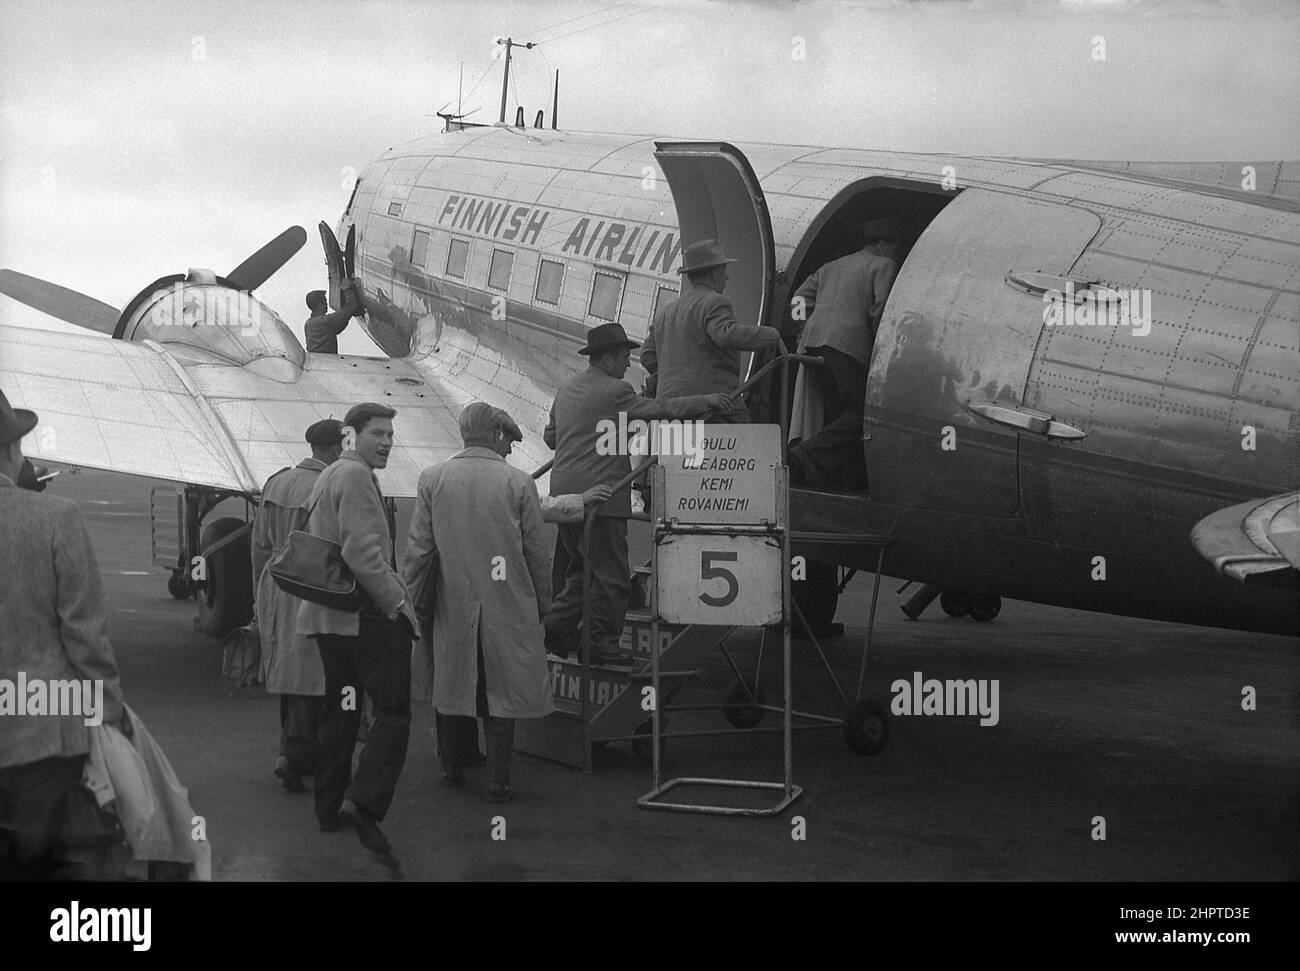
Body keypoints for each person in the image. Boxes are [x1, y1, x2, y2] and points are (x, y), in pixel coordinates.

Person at [0, 388, 129, 879]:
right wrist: (111, 719)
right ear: (11, 451)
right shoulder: (55, 519)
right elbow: (87, 639)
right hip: (41, 743)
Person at [544, 323, 730, 663]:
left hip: (563, 496)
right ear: (609, 358)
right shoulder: (617, 391)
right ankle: (600, 645)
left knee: (581, 570)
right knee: (613, 578)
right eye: (624, 357)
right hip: (602, 497)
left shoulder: (566, 389)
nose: (627, 364)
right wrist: (708, 400)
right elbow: (663, 410)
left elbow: (552, 438)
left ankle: (554, 628)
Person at [404, 403, 556, 802]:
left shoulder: (432, 478)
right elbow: (537, 553)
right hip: (507, 601)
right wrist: (544, 601)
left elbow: (419, 549)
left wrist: (411, 598)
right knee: (501, 691)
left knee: (453, 680)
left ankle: (452, 768)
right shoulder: (519, 482)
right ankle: (499, 780)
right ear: (495, 435)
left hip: (451, 599)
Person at [295, 402, 419, 867]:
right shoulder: (356, 478)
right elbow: (364, 554)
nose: (387, 442)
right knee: (392, 712)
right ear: (352, 436)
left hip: (330, 617)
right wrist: (399, 607)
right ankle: (364, 804)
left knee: (341, 707)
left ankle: (329, 806)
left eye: (390, 434)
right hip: (363, 615)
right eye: (378, 434)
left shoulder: (329, 474)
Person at [250, 418, 344, 794]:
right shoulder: (332, 484)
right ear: (336, 448)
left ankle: (294, 750)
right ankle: (294, 755)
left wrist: (258, 594)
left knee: (289, 669)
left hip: (275, 580)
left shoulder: (278, 481)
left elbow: (258, 544)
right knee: (314, 673)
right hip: (312, 581)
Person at [787, 217, 902, 491]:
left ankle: (835, 478)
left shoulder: (832, 266)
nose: (898, 251)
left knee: (840, 416)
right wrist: (878, 343)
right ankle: (808, 454)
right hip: (850, 347)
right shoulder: (884, 265)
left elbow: (798, 299)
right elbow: (882, 305)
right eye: (896, 245)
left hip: (814, 347)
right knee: (862, 415)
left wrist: (806, 328)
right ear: (881, 244)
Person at [641, 238, 783, 420]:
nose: (727, 276)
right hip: (714, 405)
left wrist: (675, 380)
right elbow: (725, 335)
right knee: (746, 439)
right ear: (714, 272)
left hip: (670, 407)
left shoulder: (666, 312)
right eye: (724, 269)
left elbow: (647, 355)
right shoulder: (714, 301)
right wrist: (772, 335)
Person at [304, 279, 361, 354]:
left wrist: (344, 317)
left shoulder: (308, 324)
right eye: (325, 302)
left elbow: (336, 329)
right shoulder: (325, 321)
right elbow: (351, 306)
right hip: (328, 361)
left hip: (317, 360)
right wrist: (347, 289)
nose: (327, 304)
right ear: (319, 304)